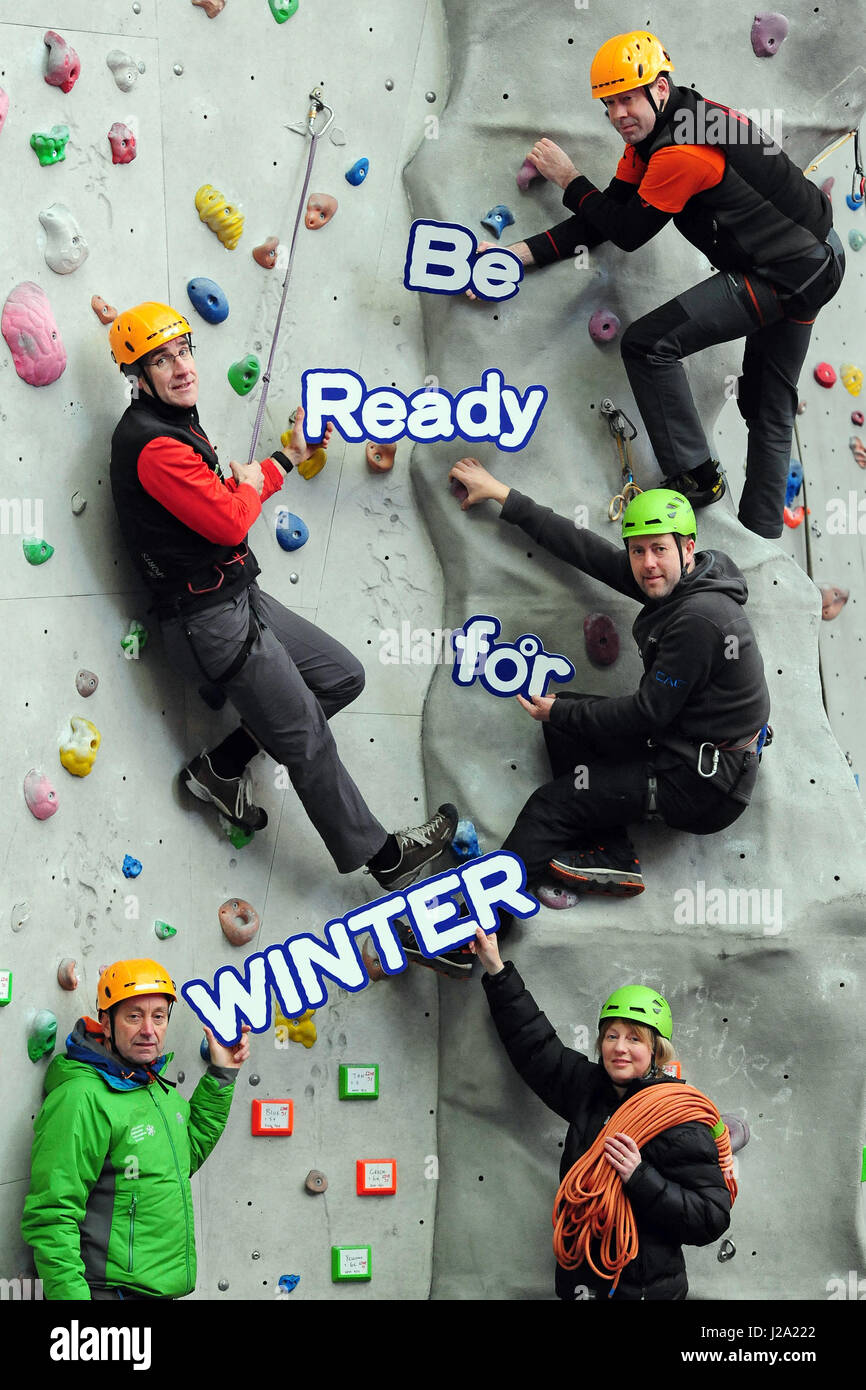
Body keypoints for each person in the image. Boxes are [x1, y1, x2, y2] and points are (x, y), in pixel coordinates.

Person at [108, 302, 457, 889]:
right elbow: (227, 524)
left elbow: (226, 500)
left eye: (183, 352)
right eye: (162, 361)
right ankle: (386, 860)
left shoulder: (175, 421)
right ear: (139, 380)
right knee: (308, 740)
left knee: (342, 677)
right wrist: (244, 489)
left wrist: (284, 459)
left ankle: (221, 768)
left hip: (235, 598)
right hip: (210, 621)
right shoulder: (155, 445)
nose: (181, 367)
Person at [487, 30, 845, 540]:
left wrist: (569, 179)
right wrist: (518, 254)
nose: (616, 115)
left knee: (649, 344)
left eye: (626, 98)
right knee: (768, 404)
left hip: (788, 273)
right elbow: (604, 218)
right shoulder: (678, 122)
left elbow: (628, 232)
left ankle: (697, 478)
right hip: (819, 255)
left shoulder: (680, 152)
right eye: (608, 104)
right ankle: (759, 540)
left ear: (659, 87)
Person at [472, 929, 733, 1300]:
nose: (620, 1048)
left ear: (656, 1049)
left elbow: (710, 1218)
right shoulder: (588, 1088)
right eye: (612, 1036)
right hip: (582, 1284)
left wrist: (639, 1176)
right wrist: (497, 970)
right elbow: (535, 1043)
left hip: (644, 1291)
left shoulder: (676, 1118)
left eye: (634, 1038)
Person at [21, 958, 249, 1300]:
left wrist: (221, 1074)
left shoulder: (157, 1089)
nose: (148, 1029)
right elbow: (53, 1215)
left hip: (159, 1292)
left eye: (158, 1016)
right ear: (106, 1022)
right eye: (133, 1016)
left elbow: (183, 1159)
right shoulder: (81, 1097)